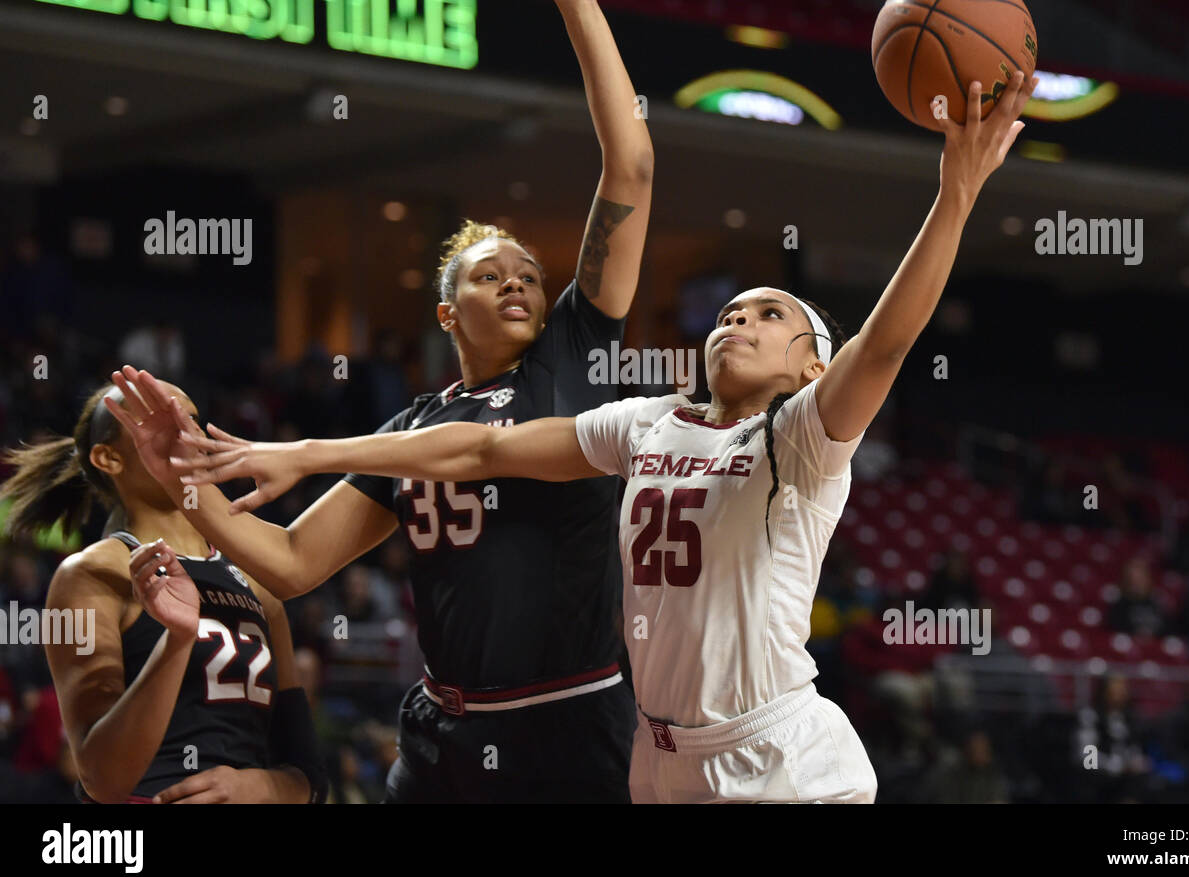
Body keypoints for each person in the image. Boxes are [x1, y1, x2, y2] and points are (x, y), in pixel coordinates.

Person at [128, 70, 1038, 801]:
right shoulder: (644, 420)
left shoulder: (774, 429)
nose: (739, 320)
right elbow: (469, 455)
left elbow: (880, 340)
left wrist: (956, 195)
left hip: (712, 744)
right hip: (631, 753)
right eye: (732, 310)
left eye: (771, 315)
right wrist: (236, 467)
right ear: (446, 310)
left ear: (810, 368)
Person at [107, 0, 653, 803]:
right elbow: (291, 562)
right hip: (440, 736)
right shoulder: (407, 428)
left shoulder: (573, 354)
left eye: (528, 274)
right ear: (447, 313)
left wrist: (579, 4)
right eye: (489, 276)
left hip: (570, 723)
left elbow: (631, 166)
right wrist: (184, 478)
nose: (516, 281)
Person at [0, 383, 325, 803]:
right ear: (109, 458)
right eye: (161, 420)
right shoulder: (91, 574)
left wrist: (261, 787)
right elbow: (101, 777)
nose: (187, 431)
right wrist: (176, 642)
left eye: (191, 418)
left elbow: (310, 778)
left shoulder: (259, 577)